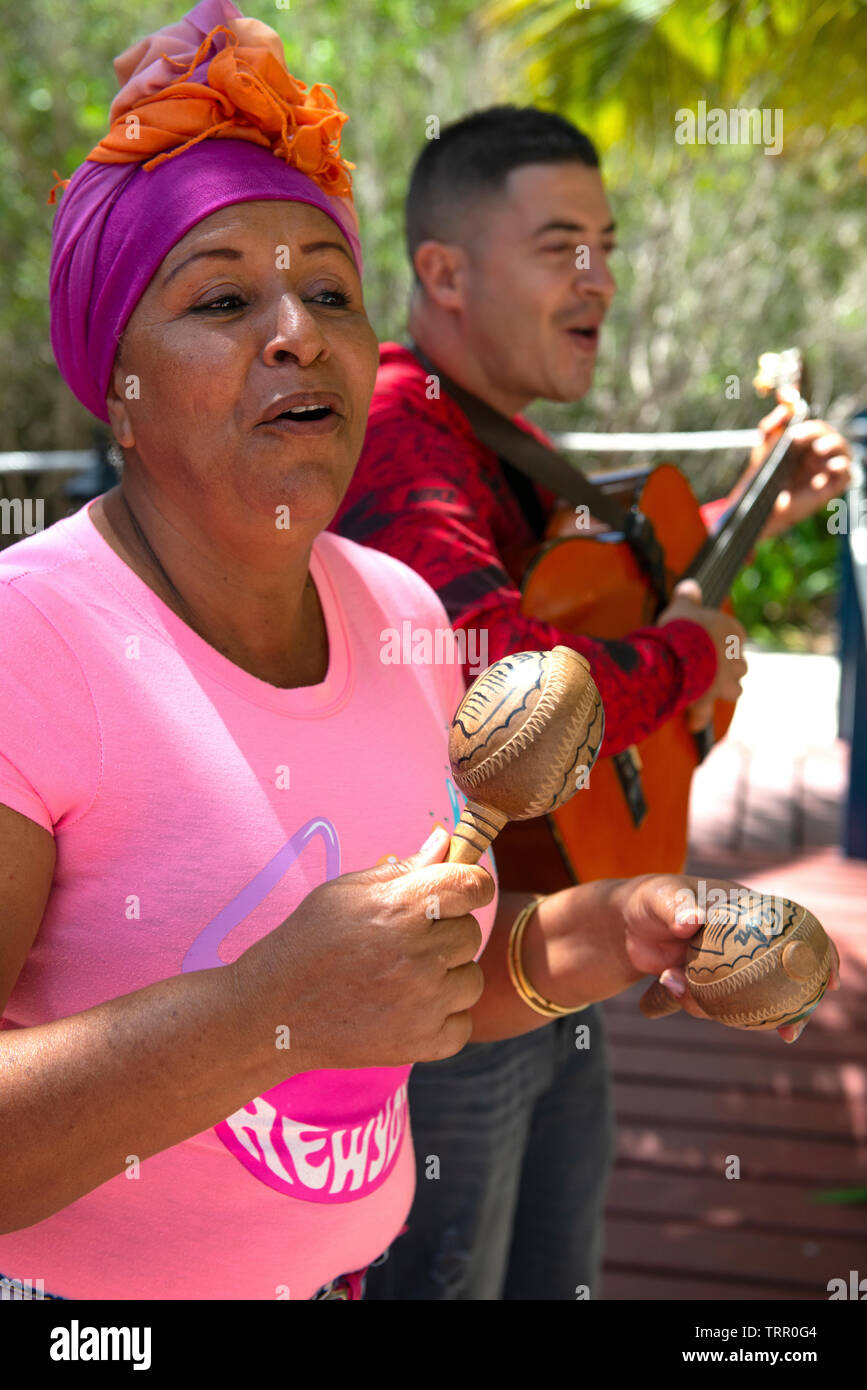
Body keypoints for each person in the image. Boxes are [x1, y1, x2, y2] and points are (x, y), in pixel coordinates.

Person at [0, 1, 792, 1303]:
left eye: (328, 288)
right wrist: (268, 1011)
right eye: (219, 298)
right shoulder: (29, 635)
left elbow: (429, 976)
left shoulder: (400, 612)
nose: (296, 329)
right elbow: (301, 1000)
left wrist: (614, 926)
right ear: (114, 383)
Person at [331, 107, 852, 1300]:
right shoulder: (406, 436)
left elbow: (595, 603)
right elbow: (505, 670)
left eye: (608, 246)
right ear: (443, 273)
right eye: (563, 245)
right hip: (449, 987)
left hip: (553, 941)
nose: (600, 280)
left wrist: (756, 513)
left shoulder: (494, 440)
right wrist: (679, 661)